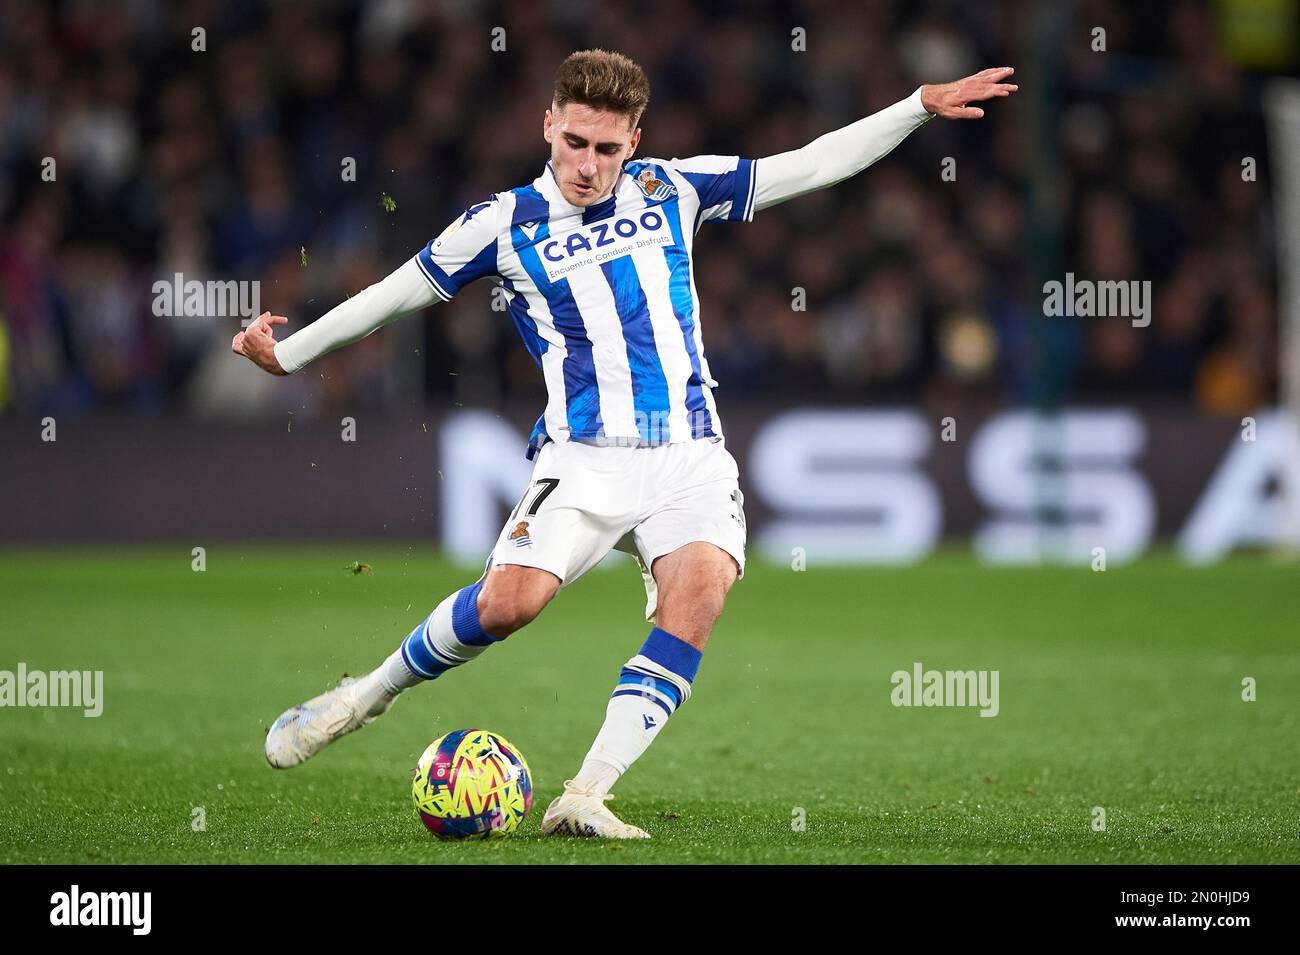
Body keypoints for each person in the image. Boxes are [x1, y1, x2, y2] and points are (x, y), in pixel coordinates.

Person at [234, 49, 1016, 838]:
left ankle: (585, 793)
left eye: (607, 149)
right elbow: (395, 292)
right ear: (549, 125)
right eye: (574, 141)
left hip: (690, 451)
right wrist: (288, 353)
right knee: (510, 606)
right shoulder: (503, 224)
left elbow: (811, 165)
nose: (587, 164)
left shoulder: (670, 189)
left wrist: (917, 102)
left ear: (634, 142)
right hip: (584, 455)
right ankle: (364, 695)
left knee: (700, 595)